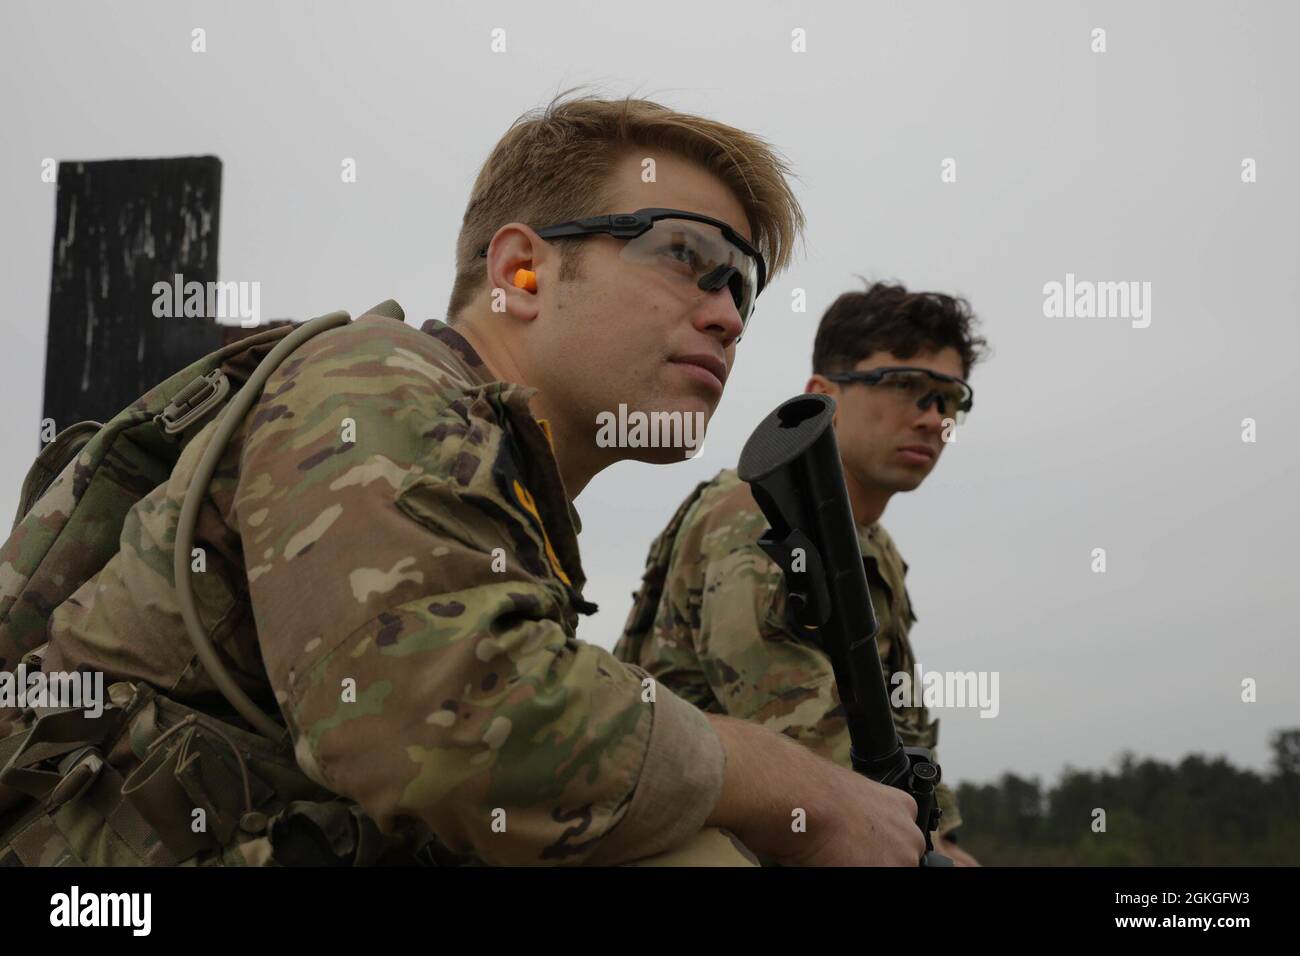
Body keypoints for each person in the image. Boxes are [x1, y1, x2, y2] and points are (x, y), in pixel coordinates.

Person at [0, 94, 930, 867]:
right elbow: (446, 728)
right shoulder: (375, 377)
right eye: (689, 255)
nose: (728, 315)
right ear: (520, 270)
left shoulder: (500, 484)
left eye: (745, 286)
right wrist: (794, 783)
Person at [615, 281, 989, 865]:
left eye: (949, 398)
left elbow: (902, 722)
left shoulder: (877, 546)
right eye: (906, 386)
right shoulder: (755, 516)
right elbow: (797, 728)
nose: (932, 417)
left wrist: (942, 834)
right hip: (696, 824)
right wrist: (926, 848)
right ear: (822, 397)